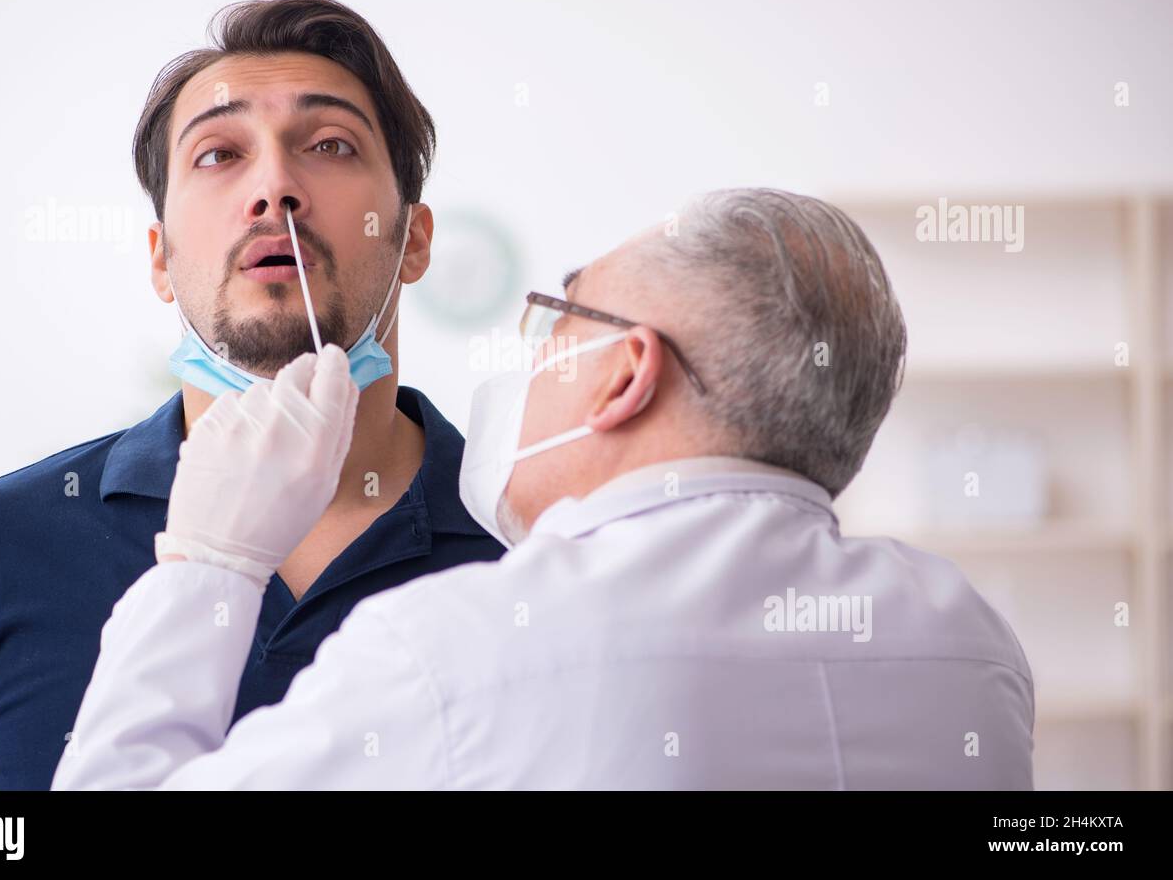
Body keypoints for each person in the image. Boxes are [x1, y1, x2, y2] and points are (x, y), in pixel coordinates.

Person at [53, 188, 1035, 790]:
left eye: (557, 323)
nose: (526, 364)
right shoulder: (967, 639)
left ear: (625, 375)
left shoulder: (454, 649)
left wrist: (208, 564)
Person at [0, 0, 504, 791]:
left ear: (413, 241)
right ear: (160, 258)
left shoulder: (535, 551)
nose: (275, 186)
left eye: (330, 144)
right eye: (218, 153)